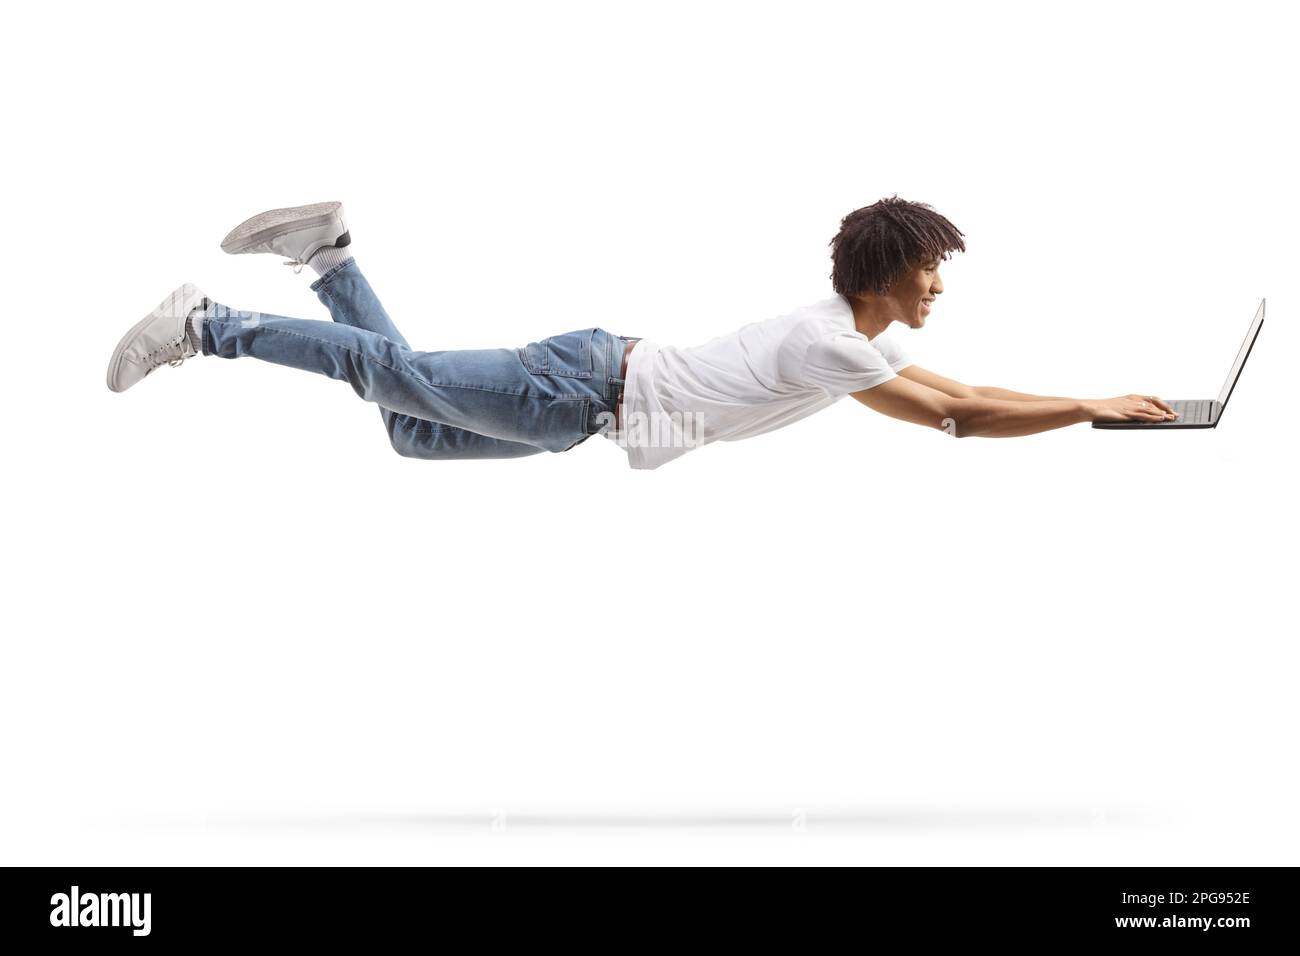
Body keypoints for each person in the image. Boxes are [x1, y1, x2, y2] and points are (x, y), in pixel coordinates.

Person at [105, 196, 1178, 469]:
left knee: (410, 424)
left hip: (586, 405)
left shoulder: (856, 336)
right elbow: (955, 422)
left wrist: (1093, 402)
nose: (939, 284)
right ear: (886, 273)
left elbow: (966, 393)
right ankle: (207, 323)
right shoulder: (833, 345)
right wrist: (1088, 409)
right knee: (397, 375)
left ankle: (329, 255)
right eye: (929, 266)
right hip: (580, 389)